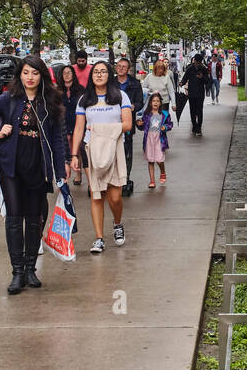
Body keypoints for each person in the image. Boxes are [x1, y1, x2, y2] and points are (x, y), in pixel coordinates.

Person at [0, 56, 66, 294]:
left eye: (35, 73)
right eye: (26, 72)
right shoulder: (9, 99)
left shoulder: (50, 101)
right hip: (11, 168)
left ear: (42, 76)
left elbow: (57, 140)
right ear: (20, 75)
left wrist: (60, 171)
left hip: (37, 167)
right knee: (15, 219)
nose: (30, 77)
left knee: (34, 218)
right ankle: (17, 272)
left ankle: (30, 269)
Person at [69, 61, 132, 253]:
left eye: (103, 71)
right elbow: (79, 128)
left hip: (113, 150)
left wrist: (100, 129)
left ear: (109, 75)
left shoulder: (120, 96)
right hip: (91, 152)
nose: (99, 75)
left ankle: (118, 222)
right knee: (97, 195)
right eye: (96, 72)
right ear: (91, 76)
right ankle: (98, 238)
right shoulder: (84, 100)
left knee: (115, 197)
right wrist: (74, 154)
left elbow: (127, 124)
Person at [115, 56, 145, 196]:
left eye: (123, 67)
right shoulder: (111, 83)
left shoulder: (134, 83)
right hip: (113, 123)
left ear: (128, 69)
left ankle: (126, 179)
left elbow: (140, 102)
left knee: (127, 152)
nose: (120, 68)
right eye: (118, 66)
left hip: (127, 123)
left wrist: (133, 106)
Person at [56, 64, 84, 185]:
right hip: (63, 124)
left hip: (77, 122)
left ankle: (78, 173)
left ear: (73, 74)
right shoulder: (57, 91)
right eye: (64, 73)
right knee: (64, 150)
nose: (67, 75)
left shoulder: (80, 90)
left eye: (69, 72)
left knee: (77, 149)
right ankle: (64, 175)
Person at [141, 92, 172, 187]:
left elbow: (170, 124)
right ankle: (152, 181)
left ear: (160, 103)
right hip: (149, 140)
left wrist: (165, 127)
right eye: (153, 101)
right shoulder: (146, 114)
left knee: (159, 160)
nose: (155, 102)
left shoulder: (164, 114)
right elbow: (142, 126)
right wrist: (139, 124)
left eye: (158, 101)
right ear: (150, 103)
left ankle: (162, 171)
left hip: (159, 140)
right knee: (150, 160)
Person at [179, 54, 211, 137]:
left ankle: (199, 127)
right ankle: (194, 125)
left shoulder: (203, 69)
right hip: (192, 93)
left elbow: (207, 81)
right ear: (194, 61)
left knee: (199, 110)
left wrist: (202, 77)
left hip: (200, 93)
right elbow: (185, 77)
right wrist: (182, 83)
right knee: (192, 110)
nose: (197, 64)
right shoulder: (190, 68)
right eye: (196, 62)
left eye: (199, 63)